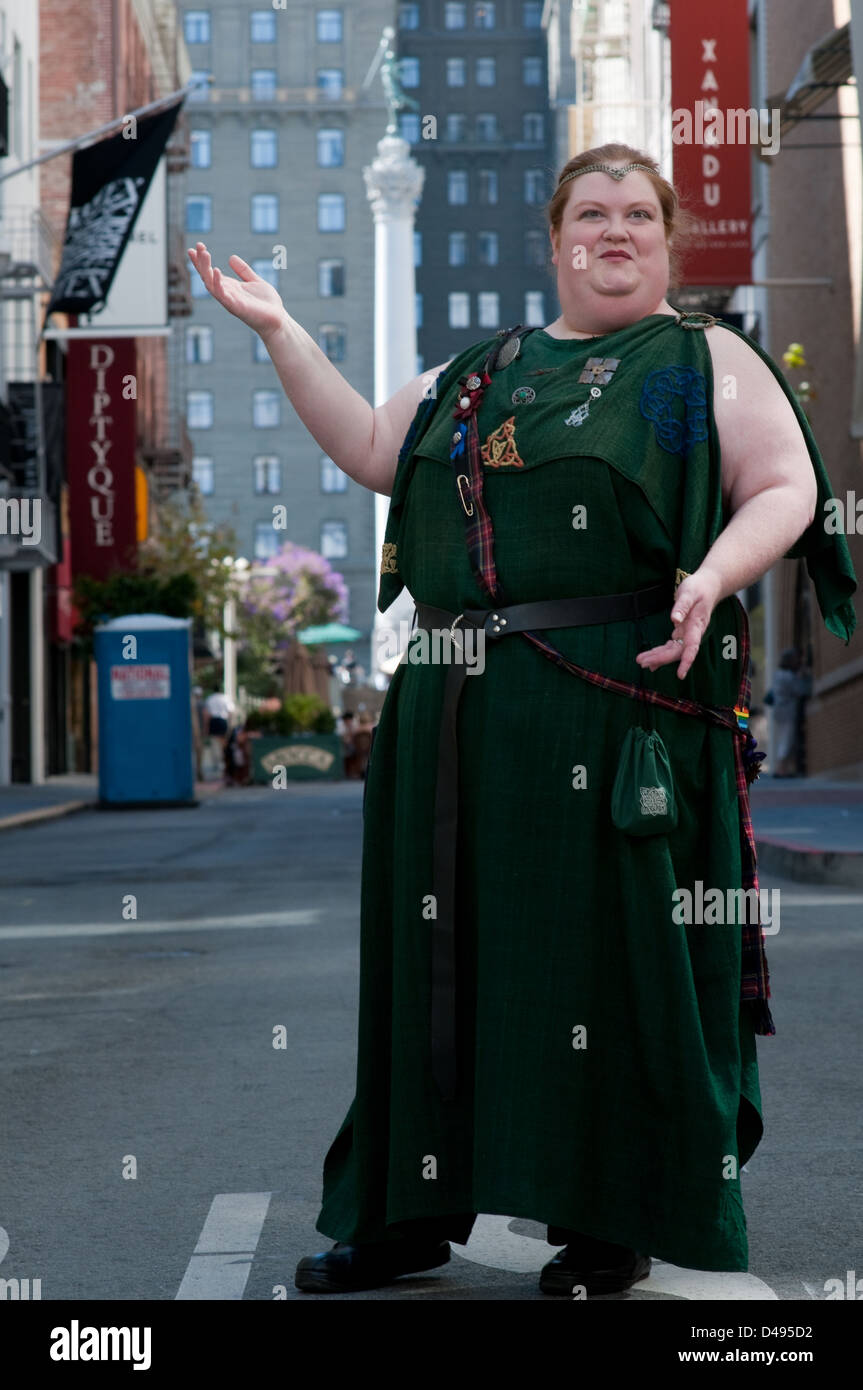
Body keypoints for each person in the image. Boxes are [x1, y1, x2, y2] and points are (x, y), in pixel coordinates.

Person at [187, 143, 856, 1297]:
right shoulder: (480, 372)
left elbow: (785, 489)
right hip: (447, 723)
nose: (613, 230)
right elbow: (365, 447)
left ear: (665, 237)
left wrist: (710, 575)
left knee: (603, 971)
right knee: (434, 968)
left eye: (637, 214)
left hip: (617, 710)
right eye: (589, 213)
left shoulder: (702, 358)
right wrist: (280, 333)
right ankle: (406, 1209)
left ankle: (608, 1219)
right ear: (552, 241)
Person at [768, 647, 813, 777]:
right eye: (797, 659)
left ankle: (783, 769)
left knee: (783, 738)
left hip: (779, 710)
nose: (799, 662)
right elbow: (802, 690)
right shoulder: (788, 676)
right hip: (787, 711)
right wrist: (805, 677)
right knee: (787, 740)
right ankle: (781, 770)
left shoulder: (778, 674)